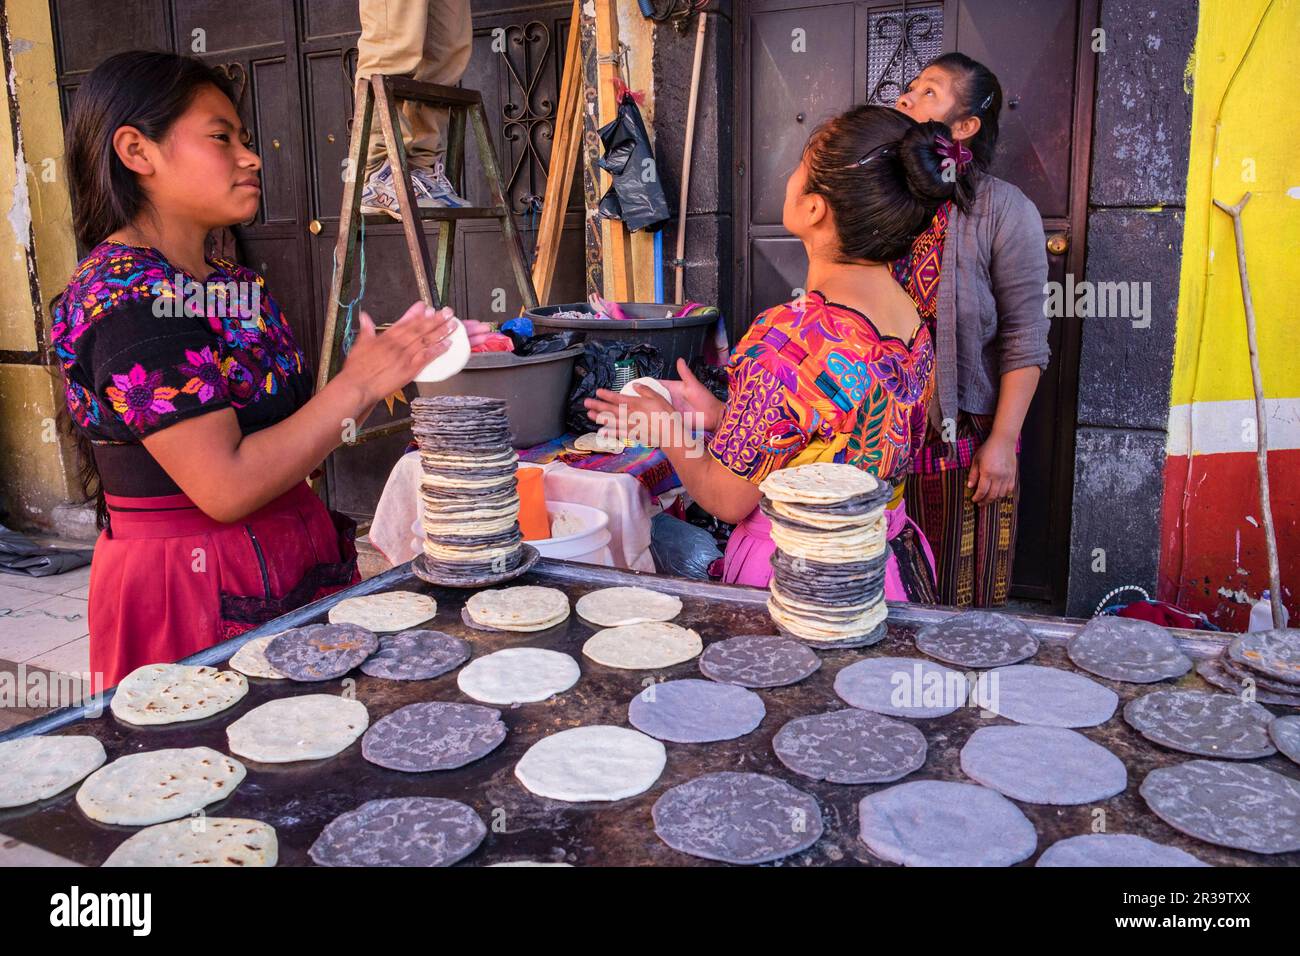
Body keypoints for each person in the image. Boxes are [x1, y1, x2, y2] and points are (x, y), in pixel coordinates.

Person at [50, 52, 490, 690]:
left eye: (247, 140)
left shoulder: (227, 284)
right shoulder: (125, 299)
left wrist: (399, 362)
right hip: (196, 587)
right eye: (221, 138)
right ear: (136, 151)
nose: (250, 157)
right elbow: (225, 486)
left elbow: (289, 443)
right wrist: (360, 382)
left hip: (286, 556)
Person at [586, 105, 959, 602]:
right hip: (882, 564)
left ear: (814, 208)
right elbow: (826, 437)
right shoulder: (909, 315)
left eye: (798, 169)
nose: (788, 180)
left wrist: (665, 427)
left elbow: (726, 498)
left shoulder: (790, 337)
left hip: (800, 579)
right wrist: (724, 417)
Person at [892, 53, 1050, 608]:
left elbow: (1026, 337)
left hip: (966, 440)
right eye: (909, 89)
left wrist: (1002, 444)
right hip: (879, 435)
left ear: (964, 127)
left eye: (928, 92)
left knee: (962, 603)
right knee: (878, 593)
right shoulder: (887, 201)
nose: (906, 99)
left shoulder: (1005, 211)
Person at [357, 0, 473, 216]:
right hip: (380, 160)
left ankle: (420, 166)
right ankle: (378, 172)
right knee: (391, 42)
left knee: (446, 53)